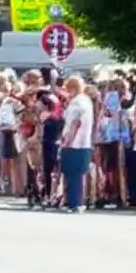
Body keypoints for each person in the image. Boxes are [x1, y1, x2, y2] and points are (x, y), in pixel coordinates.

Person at [59, 75, 95, 213]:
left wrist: (68, 141)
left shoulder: (76, 103)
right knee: (78, 174)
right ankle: (77, 202)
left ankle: (72, 203)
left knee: (71, 174)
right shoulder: (87, 101)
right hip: (84, 142)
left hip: (74, 143)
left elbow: (75, 123)